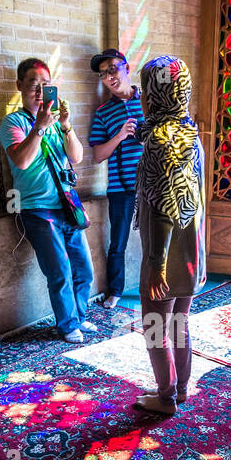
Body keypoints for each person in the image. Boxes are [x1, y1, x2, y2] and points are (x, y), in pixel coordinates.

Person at [0, 57, 95, 343]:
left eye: (46, 85)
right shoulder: (13, 121)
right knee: (60, 271)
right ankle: (67, 326)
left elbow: (76, 157)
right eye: (33, 85)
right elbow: (22, 160)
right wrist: (39, 126)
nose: (40, 92)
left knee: (84, 268)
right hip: (37, 208)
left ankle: (78, 316)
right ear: (19, 86)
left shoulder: (56, 122)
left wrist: (65, 126)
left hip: (67, 205)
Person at [132, 55, 206, 416]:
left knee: (156, 327)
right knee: (178, 322)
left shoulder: (161, 141)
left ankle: (165, 399)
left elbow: (163, 209)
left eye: (146, 89)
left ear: (153, 94)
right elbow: (197, 203)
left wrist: (154, 265)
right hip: (190, 251)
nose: (142, 97)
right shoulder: (190, 133)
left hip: (167, 255)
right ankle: (180, 389)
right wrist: (202, 255)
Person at [87, 48, 144, 310]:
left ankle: (160, 286)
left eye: (113, 68)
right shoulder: (103, 113)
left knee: (157, 238)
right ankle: (116, 290)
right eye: (103, 74)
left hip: (153, 184)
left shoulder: (149, 100)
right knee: (117, 242)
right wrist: (120, 135)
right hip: (120, 186)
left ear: (126, 68)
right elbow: (98, 155)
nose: (109, 76)